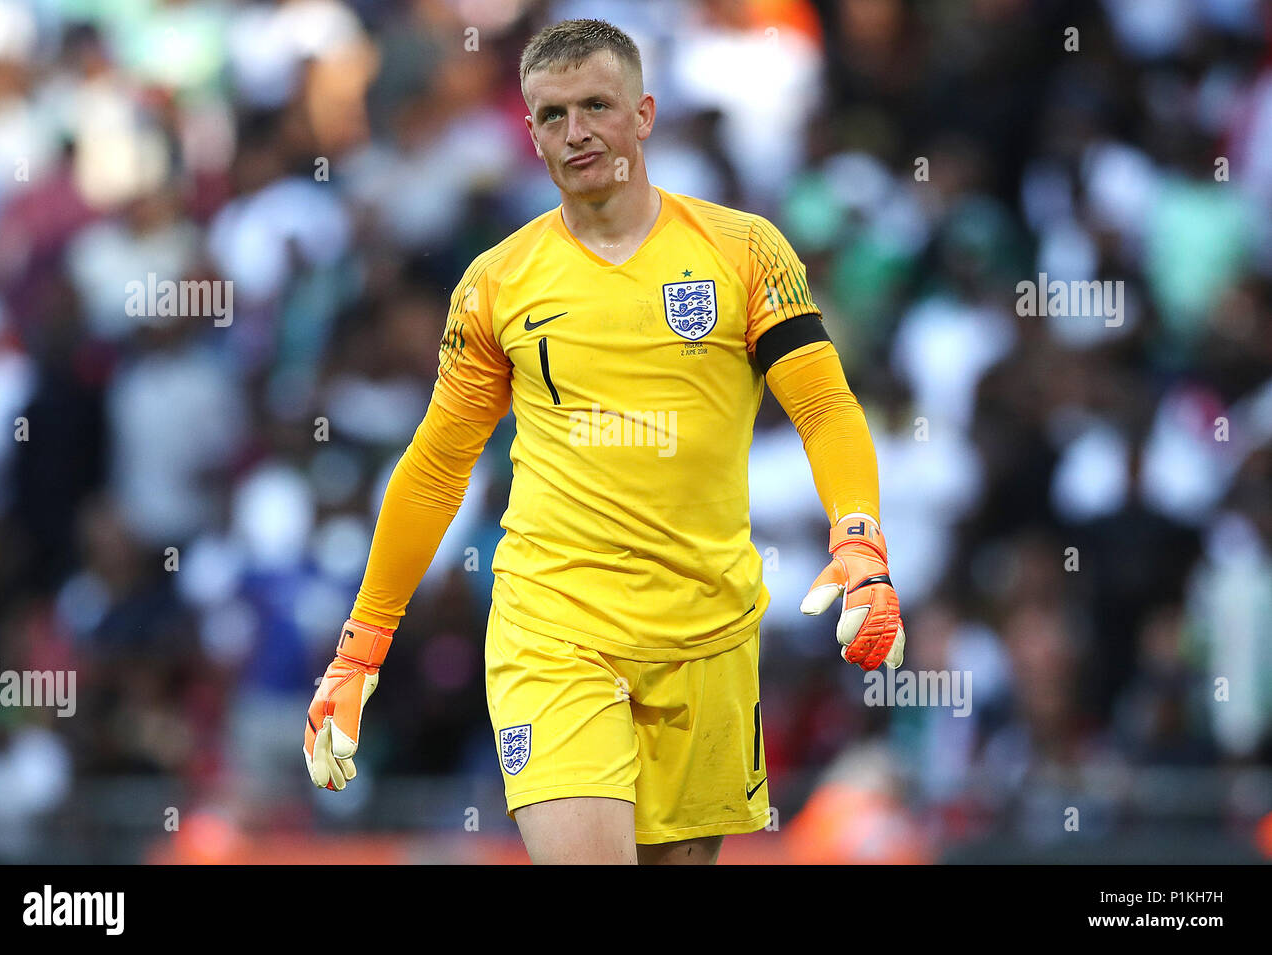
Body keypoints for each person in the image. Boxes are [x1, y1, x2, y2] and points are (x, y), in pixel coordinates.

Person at [303, 18, 905, 865]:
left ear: (645, 113)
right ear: (530, 133)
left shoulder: (744, 252)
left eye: (596, 105)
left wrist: (861, 541)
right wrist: (362, 643)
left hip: (708, 630)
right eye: (552, 115)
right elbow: (438, 464)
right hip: (554, 629)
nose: (576, 132)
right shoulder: (496, 284)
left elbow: (827, 407)